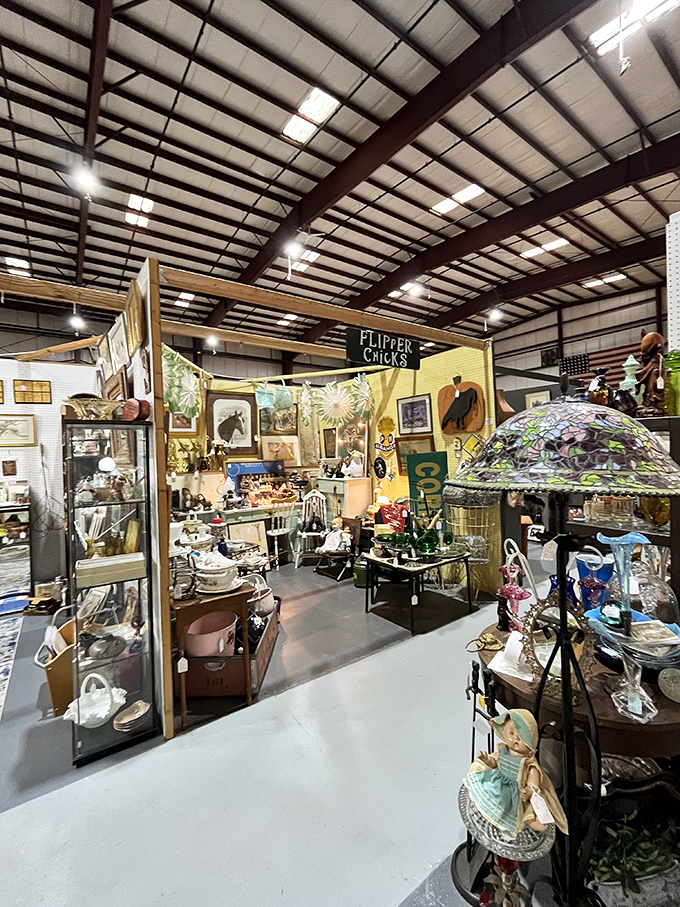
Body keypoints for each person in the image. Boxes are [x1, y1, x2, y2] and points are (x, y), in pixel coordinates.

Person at [459, 709, 567, 860]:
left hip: (516, 793)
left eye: (521, 738)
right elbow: (495, 762)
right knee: (487, 793)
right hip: (499, 785)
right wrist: (487, 760)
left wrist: (530, 790)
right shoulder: (504, 751)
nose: (515, 740)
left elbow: (534, 784)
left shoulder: (529, 764)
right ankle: (490, 816)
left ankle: (525, 823)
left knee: (524, 811)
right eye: (511, 733)